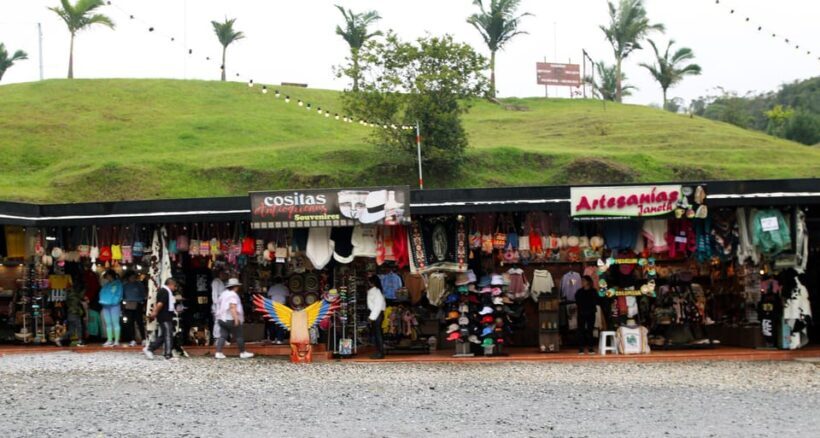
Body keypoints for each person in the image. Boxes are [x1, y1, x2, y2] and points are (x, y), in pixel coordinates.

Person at [214, 278, 254, 359]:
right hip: (230, 318)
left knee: (223, 336)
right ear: (235, 287)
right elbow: (232, 307)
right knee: (239, 335)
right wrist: (236, 319)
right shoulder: (233, 295)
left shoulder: (224, 294)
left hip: (221, 318)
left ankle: (218, 352)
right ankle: (242, 352)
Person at [144, 278, 179, 361]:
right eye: (174, 286)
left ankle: (150, 348)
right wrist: (154, 312)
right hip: (164, 316)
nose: (175, 288)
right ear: (170, 284)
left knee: (164, 335)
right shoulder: (164, 291)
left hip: (167, 316)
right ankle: (168, 355)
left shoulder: (166, 291)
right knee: (168, 335)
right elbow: (160, 304)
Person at [98, 270, 123, 348]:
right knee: (108, 323)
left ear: (111, 275)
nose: (106, 277)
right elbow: (101, 293)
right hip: (106, 306)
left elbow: (119, 294)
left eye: (107, 276)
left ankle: (116, 341)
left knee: (115, 323)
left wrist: (113, 301)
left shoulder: (118, 284)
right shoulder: (106, 285)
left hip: (114, 306)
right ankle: (109, 340)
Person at [122, 271, 147, 347]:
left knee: (139, 322)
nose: (132, 278)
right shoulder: (125, 285)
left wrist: (142, 301)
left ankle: (143, 339)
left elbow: (143, 294)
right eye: (131, 277)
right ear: (128, 278)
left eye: (133, 277)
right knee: (130, 322)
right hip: (128, 304)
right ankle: (133, 339)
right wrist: (125, 301)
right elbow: (123, 295)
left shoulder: (139, 284)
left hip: (138, 304)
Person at [575, 275, 598, 355]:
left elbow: (595, 301)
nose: (582, 282)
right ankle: (581, 348)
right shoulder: (579, 292)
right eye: (582, 281)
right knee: (580, 330)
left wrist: (590, 308)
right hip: (581, 313)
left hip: (591, 313)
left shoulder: (593, 291)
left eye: (583, 281)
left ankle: (591, 347)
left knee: (590, 330)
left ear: (588, 282)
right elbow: (577, 302)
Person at [367, 275, 386, 359]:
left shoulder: (376, 291)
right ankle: (379, 351)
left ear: (371, 282)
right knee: (377, 333)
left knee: (378, 334)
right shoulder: (378, 291)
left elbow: (377, 306)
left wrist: (372, 317)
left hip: (376, 314)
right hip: (377, 314)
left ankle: (380, 353)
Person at [266, 276, 289, 344]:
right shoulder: (284, 288)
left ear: (275, 282)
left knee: (272, 322)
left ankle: (272, 339)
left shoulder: (272, 288)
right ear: (282, 281)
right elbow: (288, 298)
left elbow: (269, 297)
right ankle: (279, 339)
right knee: (281, 322)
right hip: (282, 306)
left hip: (273, 306)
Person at [211, 269, 230, 341]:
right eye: (224, 274)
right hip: (218, 306)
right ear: (220, 274)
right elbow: (214, 294)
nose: (226, 276)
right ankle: (216, 338)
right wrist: (216, 304)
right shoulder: (216, 282)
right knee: (217, 321)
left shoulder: (221, 282)